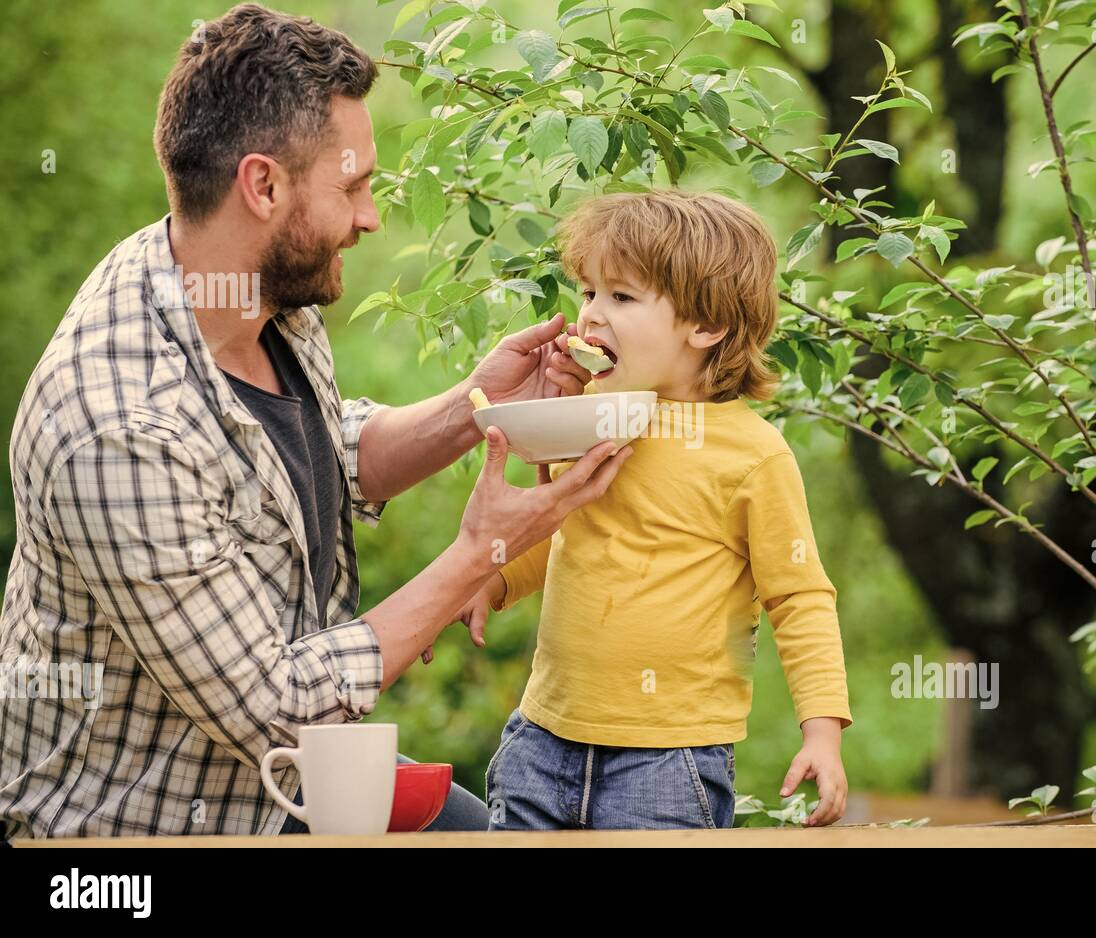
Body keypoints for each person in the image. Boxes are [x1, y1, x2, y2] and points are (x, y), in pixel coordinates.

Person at [0, 3, 630, 841]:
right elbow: (275, 707)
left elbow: (319, 452)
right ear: (262, 185)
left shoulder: (249, 287)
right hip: (150, 831)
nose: (370, 216)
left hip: (286, 784)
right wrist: (481, 551)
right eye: (354, 185)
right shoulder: (115, 425)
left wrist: (479, 408)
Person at [463, 190, 853, 830]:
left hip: (667, 760)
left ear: (706, 324)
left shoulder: (752, 454)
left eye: (620, 297)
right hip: (541, 735)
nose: (590, 314)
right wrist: (496, 578)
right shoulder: (591, 415)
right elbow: (557, 525)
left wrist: (822, 734)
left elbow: (800, 597)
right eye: (588, 292)